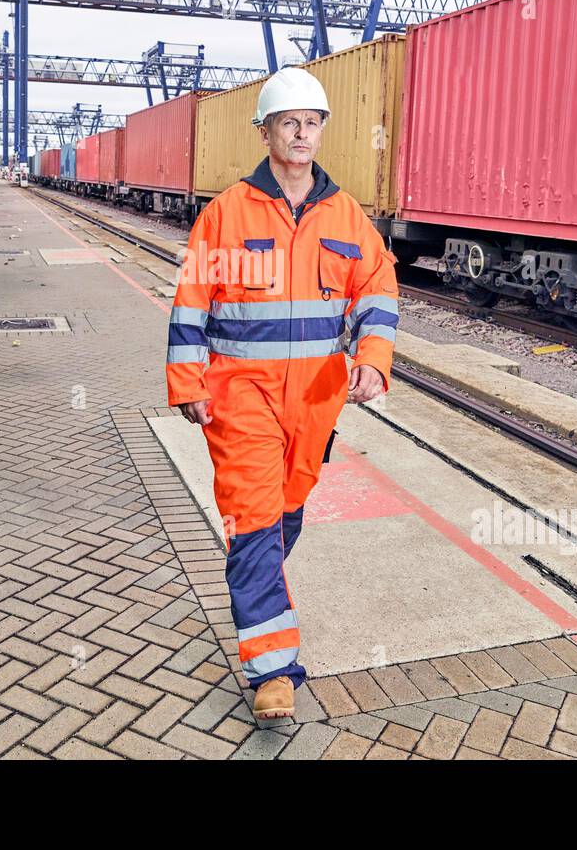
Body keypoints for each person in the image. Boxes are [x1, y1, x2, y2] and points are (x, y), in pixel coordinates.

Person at [165, 67, 399, 720]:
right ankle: (273, 669)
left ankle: (252, 570)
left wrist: (373, 358)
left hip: (317, 401)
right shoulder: (228, 213)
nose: (301, 133)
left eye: (312, 121)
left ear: (321, 129)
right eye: (289, 122)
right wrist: (187, 381)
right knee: (257, 518)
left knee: (282, 515)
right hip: (241, 395)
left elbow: (376, 290)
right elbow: (191, 304)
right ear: (266, 130)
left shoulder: (345, 213)